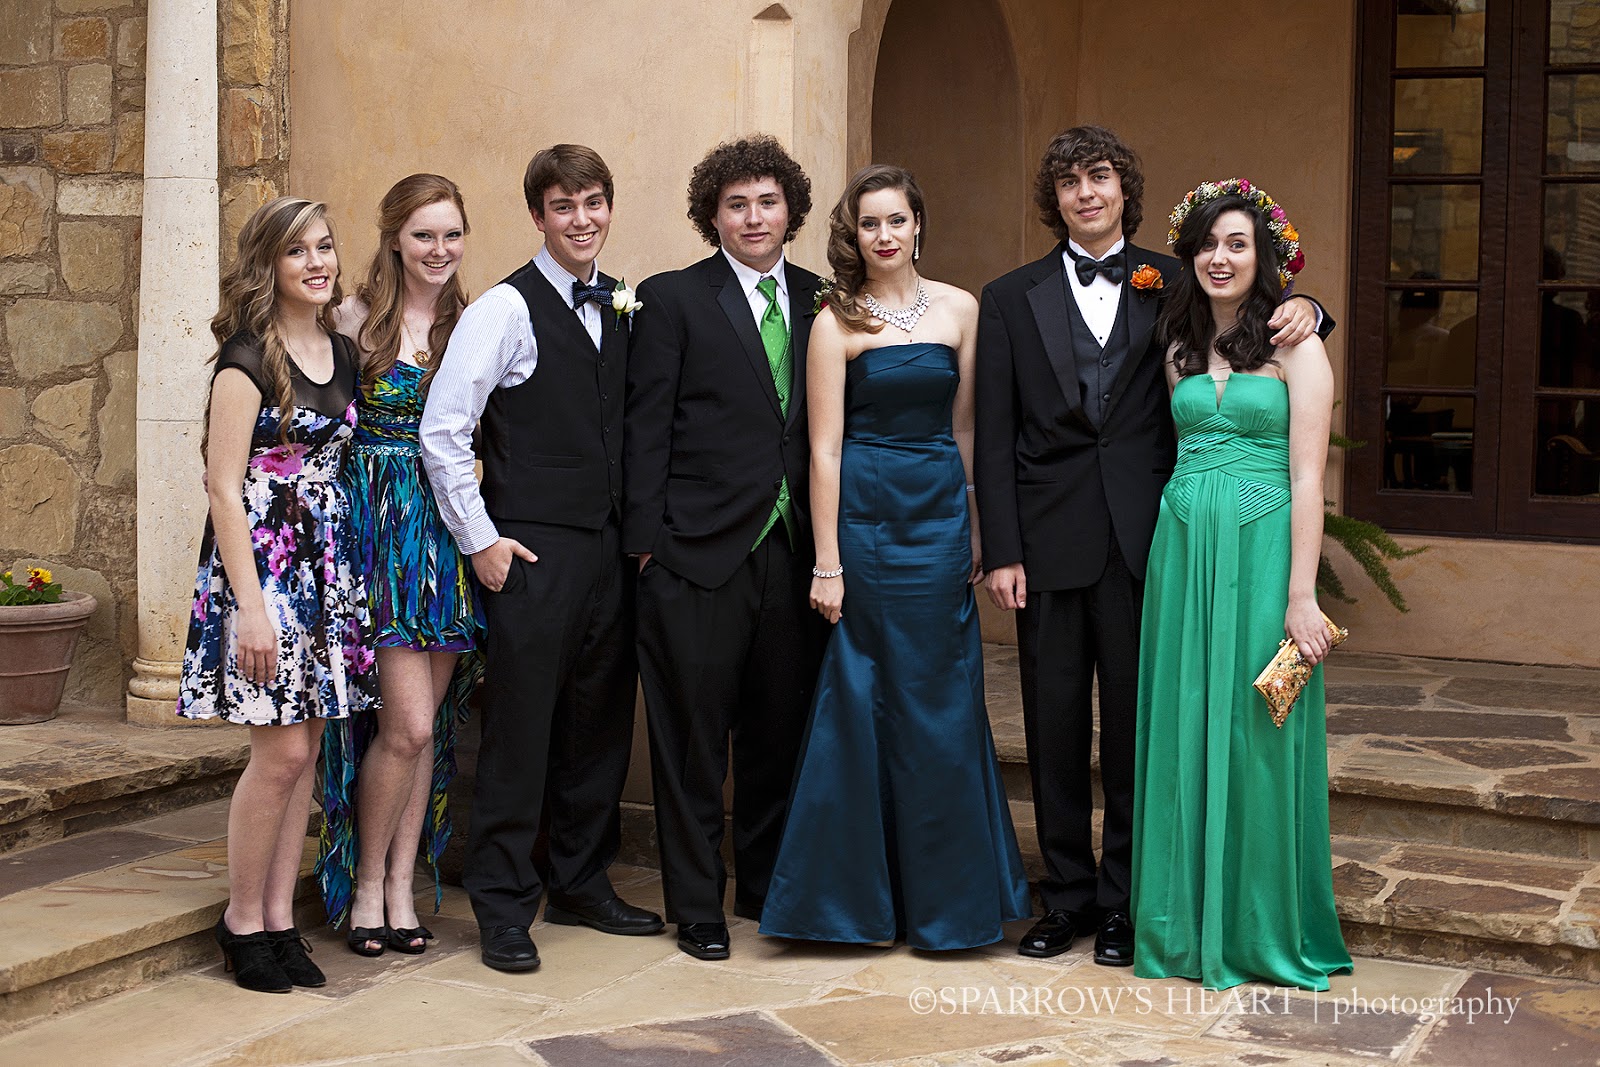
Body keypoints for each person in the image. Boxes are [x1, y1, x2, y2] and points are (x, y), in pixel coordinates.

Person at [974, 126, 1332, 967]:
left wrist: (1312, 309)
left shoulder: (1175, 276)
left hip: (1152, 544)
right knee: (1053, 728)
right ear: (1054, 198)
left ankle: (1126, 902)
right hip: (1050, 543)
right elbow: (993, 434)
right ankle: (1062, 898)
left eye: (1099, 177)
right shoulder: (1007, 295)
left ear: (1125, 190)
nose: (1085, 193)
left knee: (1144, 729)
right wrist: (1003, 549)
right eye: (1068, 182)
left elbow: (1265, 313)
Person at [758, 165, 1031, 950]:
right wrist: (828, 560)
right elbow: (823, 449)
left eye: (897, 220)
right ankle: (854, 904)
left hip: (940, 518)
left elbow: (970, 429)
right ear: (856, 234)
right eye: (870, 223)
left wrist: (977, 527)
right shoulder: (834, 320)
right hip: (867, 525)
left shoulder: (961, 309)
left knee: (942, 702)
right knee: (863, 697)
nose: (885, 235)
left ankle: (947, 905)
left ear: (919, 225)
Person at [420, 145, 662, 975]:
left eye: (594, 202)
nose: (582, 219)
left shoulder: (622, 303)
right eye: (564, 206)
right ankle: (501, 901)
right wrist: (479, 539)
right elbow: (443, 429)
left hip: (607, 552)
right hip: (529, 552)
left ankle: (582, 881)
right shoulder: (503, 309)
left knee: (598, 725)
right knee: (521, 731)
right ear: (538, 216)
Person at [1132, 179, 1353, 990]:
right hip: (1184, 550)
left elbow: (1307, 477)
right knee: (1187, 721)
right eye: (1207, 244)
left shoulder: (1298, 345)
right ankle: (1183, 923)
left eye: (1237, 244)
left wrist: (1302, 592)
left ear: (1263, 257)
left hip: (1264, 551)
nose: (1219, 258)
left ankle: (1259, 924)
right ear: (1189, 256)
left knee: (1256, 729)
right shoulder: (1178, 347)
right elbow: (1183, 449)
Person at [624, 135, 829, 961]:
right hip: (694, 555)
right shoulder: (673, 299)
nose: (754, 216)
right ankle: (697, 901)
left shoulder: (824, 297)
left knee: (779, 731)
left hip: (795, 549)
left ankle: (768, 881)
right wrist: (646, 548)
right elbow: (646, 428)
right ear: (712, 213)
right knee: (692, 739)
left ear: (791, 211)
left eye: (768, 201)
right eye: (737, 203)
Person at [178, 196, 379, 992]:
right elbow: (223, 489)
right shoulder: (244, 360)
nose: (318, 262)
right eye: (298, 252)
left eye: (326, 247)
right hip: (263, 573)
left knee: (306, 756)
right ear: (269, 264)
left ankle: (277, 919)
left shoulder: (341, 349)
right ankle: (240, 920)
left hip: (325, 572)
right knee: (283, 752)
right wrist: (250, 607)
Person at [315, 174, 485, 957]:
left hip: (445, 541)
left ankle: (397, 887)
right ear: (393, 238)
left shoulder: (472, 324)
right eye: (424, 235)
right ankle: (365, 886)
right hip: (377, 540)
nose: (440, 250)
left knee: (429, 728)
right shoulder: (351, 321)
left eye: (451, 234)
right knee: (404, 726)